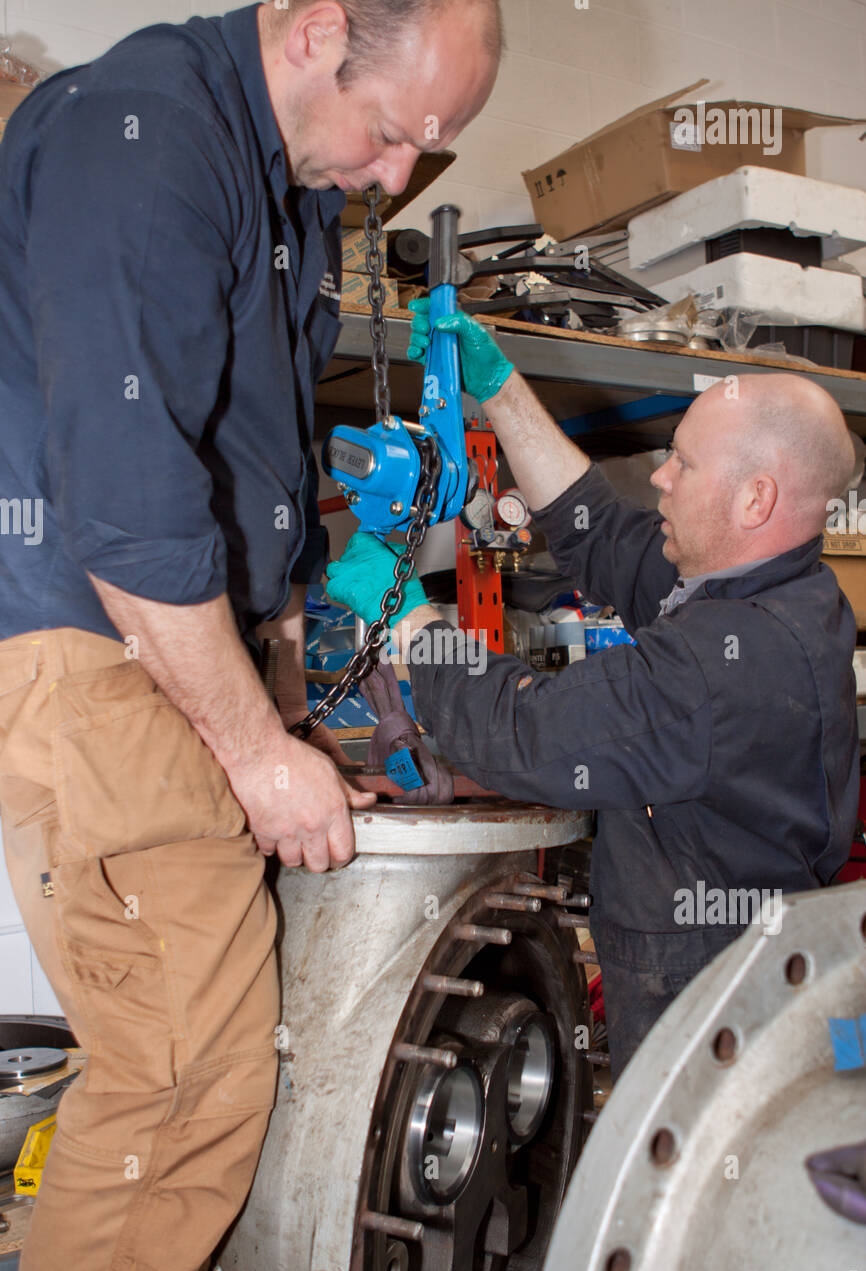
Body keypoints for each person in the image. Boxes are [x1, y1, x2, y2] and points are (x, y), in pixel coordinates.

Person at [0, 1, 500, 1271]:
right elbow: (130, 503)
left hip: (148, 637)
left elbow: (252, 473)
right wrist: (252, 751)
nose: (398, 173)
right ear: (315, 31)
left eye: (426, 147)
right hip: (94, 629)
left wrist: (284, 725)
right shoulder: (144, 131)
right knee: (180, 1081)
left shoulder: (287, 189)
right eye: (391, 132)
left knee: (188, 1066)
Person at [326, 304, 860, 1080]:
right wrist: (498, 388)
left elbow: (529, 735)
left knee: (677, 1149)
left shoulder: (732, 662)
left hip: (711, 992)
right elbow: (598, 528)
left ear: (755, 500)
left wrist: (404, 615)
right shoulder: (770, 585)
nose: (660, 477)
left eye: (683, 464)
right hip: (740, 951)